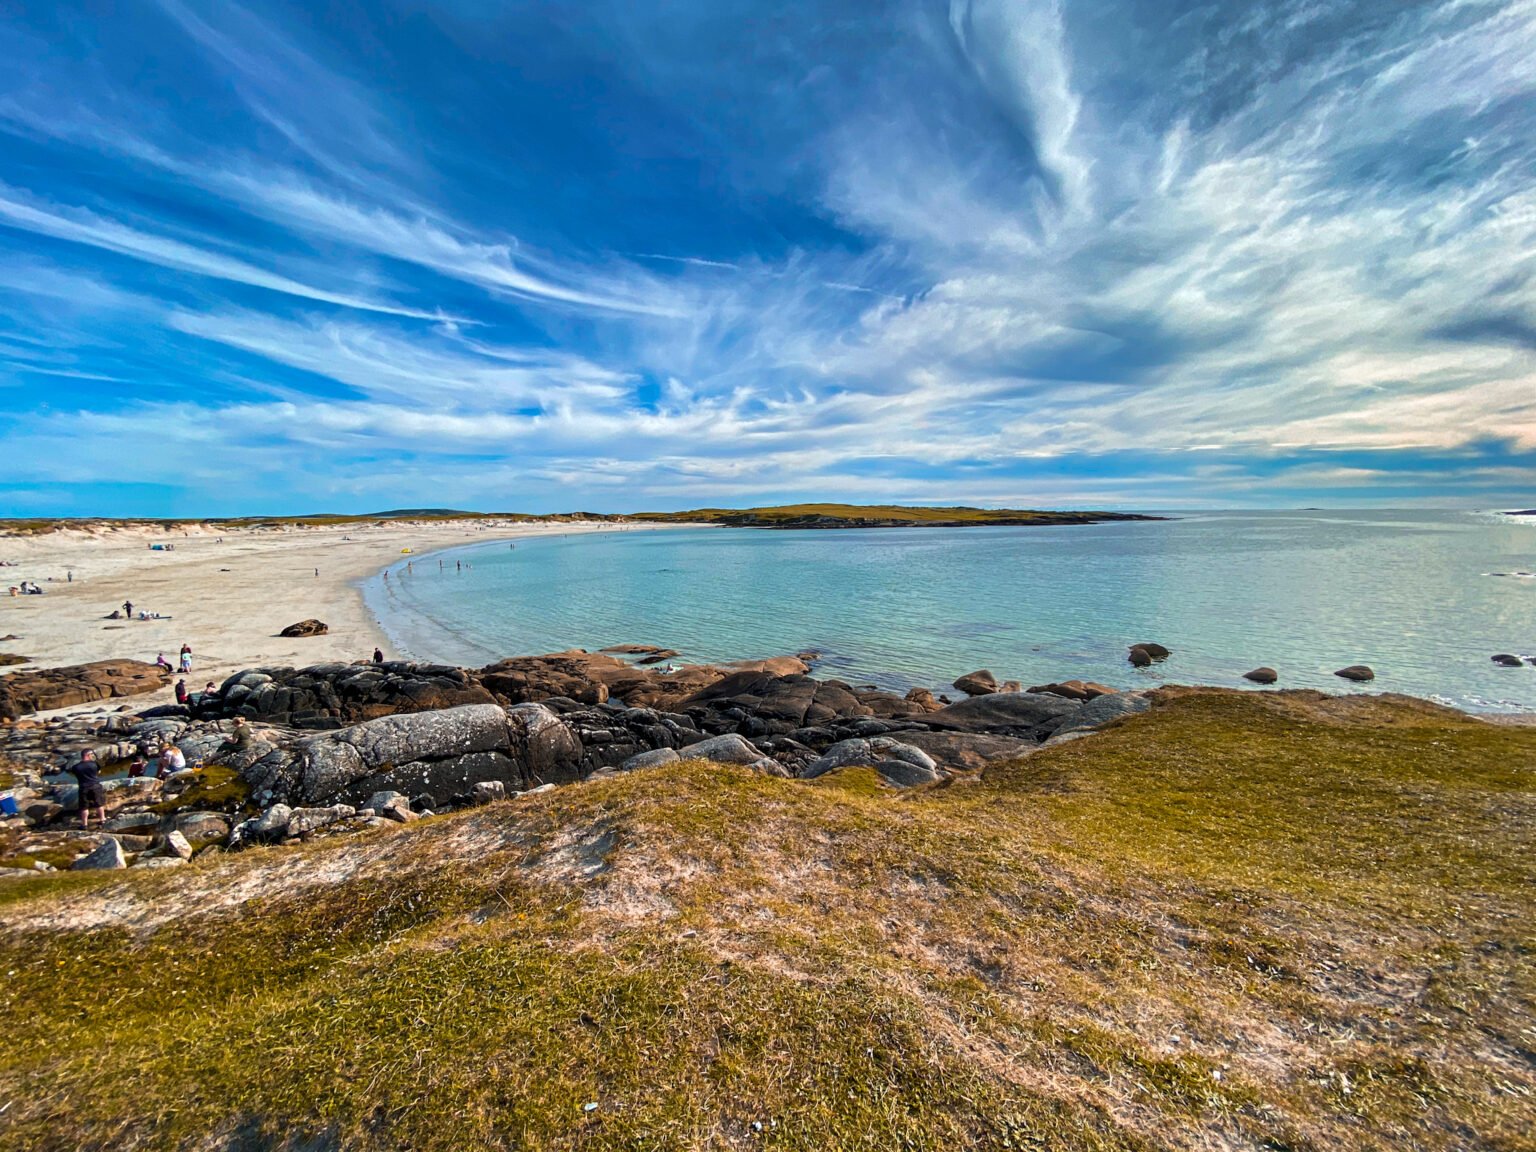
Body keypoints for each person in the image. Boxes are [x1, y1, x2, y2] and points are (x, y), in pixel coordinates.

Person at [67, 749, 106, 830]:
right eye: (92, 754)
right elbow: (98, 772)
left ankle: (84, 824)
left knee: (84, 807)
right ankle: (102, 819)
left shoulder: (76, 767)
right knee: (99, 803)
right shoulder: (94, 764)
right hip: (95, 785)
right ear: (88, 755)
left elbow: (74, 773)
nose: (93, 756)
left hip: (83, 787)